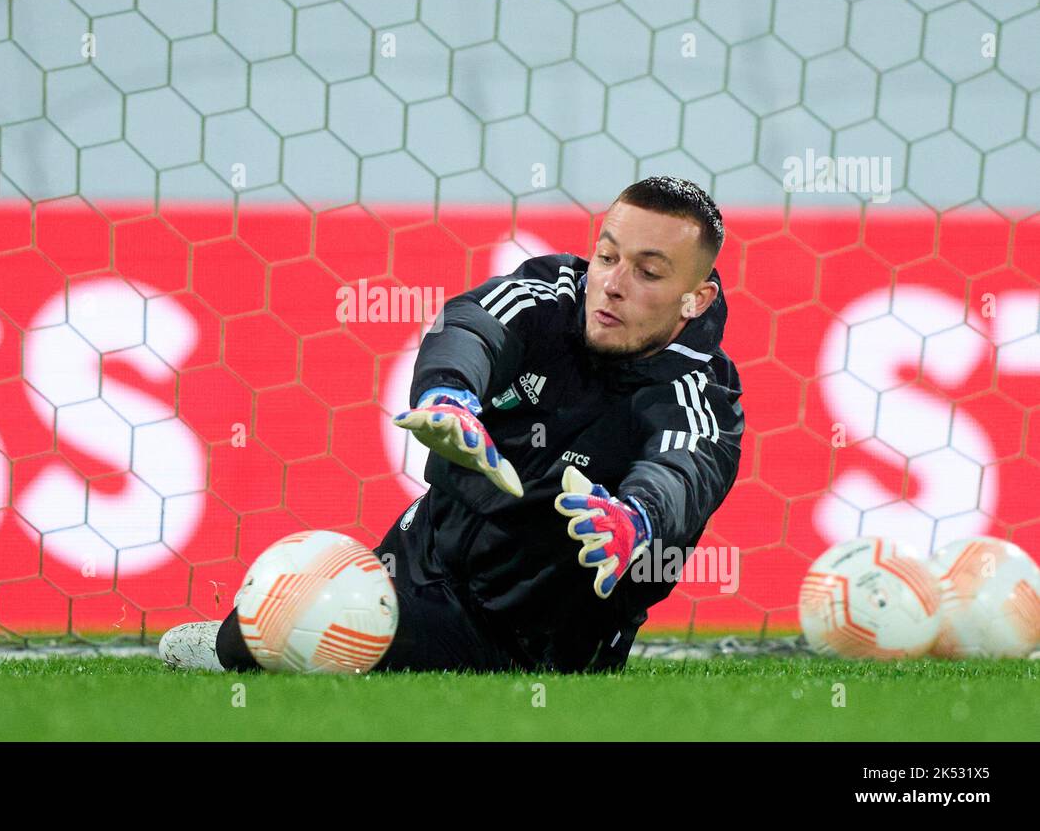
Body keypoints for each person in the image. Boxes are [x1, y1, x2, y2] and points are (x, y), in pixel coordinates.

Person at [161, 176, 744, 672]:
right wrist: (449, 396)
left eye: (648, 272)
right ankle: (266, 639)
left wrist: (634, 521)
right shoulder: (553, 294)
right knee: (289, 596)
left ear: (696, 298)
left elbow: (683, 469)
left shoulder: (699, 395)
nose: (613, 284)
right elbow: (471, 326)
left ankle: (269, 643)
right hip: (422, 558)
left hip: (534, 634)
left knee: (283, 631)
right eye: (608, 255)